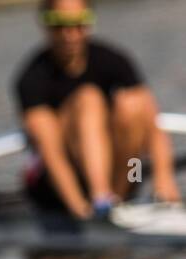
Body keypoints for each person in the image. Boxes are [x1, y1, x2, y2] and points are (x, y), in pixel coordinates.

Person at [13, 0, 180, 220]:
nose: (70, 34)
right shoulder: (32, 78)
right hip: (57, 188)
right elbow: (50, 151)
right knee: (88, 98)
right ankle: (101, 200)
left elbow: (153, 124)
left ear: (90, 23)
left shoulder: (114, 61)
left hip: (118, 180)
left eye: (79, 24)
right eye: (59, 25)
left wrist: (164, 177)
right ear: (44, 25)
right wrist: (79, 208)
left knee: (133, 103)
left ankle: (114, 201)